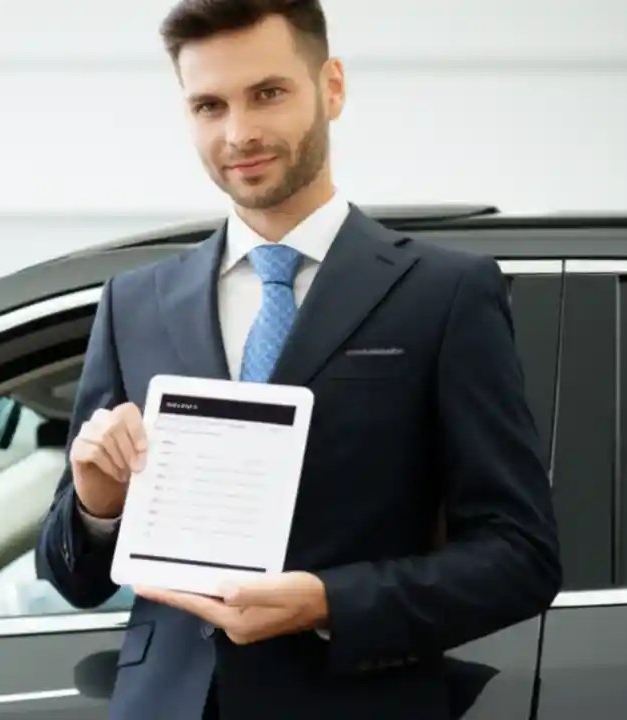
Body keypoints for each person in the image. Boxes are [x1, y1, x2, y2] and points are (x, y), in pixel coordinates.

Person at [35, 1, 562, 718]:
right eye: (209, 105)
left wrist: (326, 602)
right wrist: (97, 506)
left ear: (332, 87)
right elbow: (74, 578)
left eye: (268, 94)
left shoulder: (444, 294)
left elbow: (520, 556)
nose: (239, 132)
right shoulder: (135, 301)